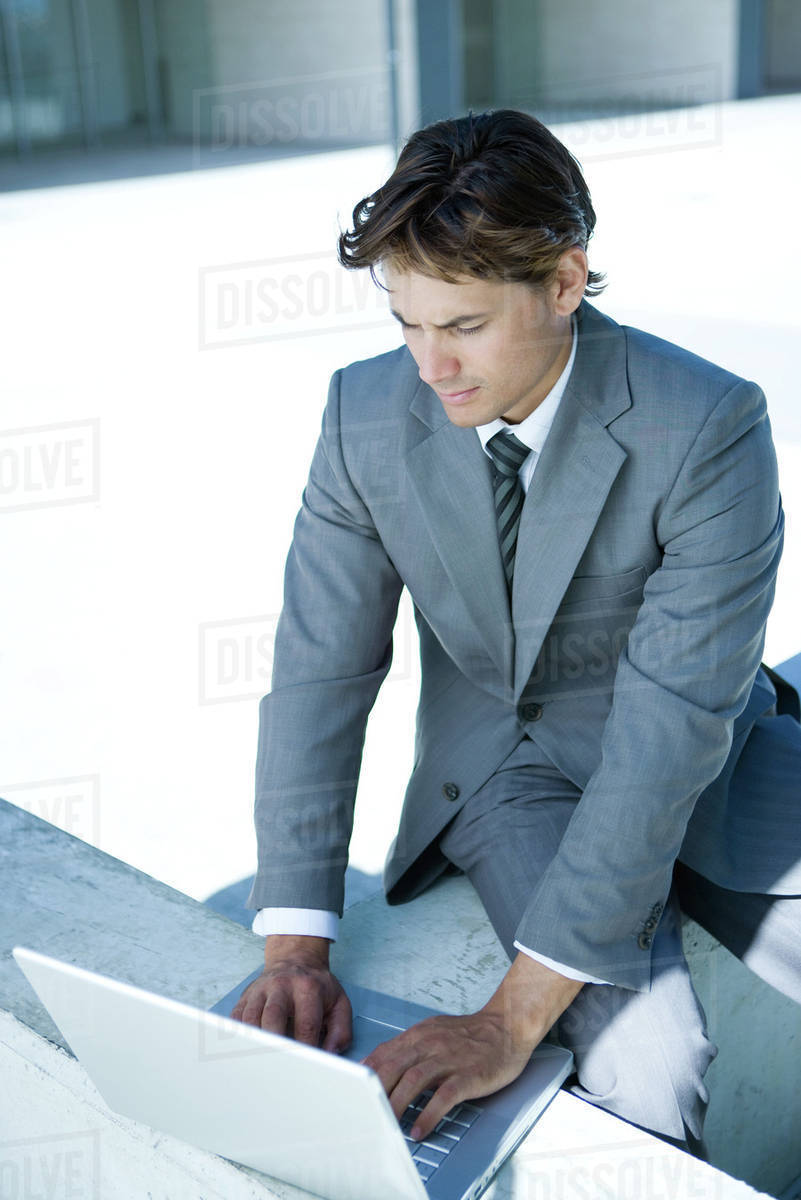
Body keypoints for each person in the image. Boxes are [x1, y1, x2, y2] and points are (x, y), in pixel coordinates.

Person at [230, 109, 801, 1153]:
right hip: (506, 772)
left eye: (462, 327)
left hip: (706, 758)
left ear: (566, 282)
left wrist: (509, 1017)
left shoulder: (710, 424)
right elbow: (320, 669)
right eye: (406, 322)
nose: (428, 364)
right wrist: (295, 946)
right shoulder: (362, 417)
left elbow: (671, 729)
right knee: (649, 1061)